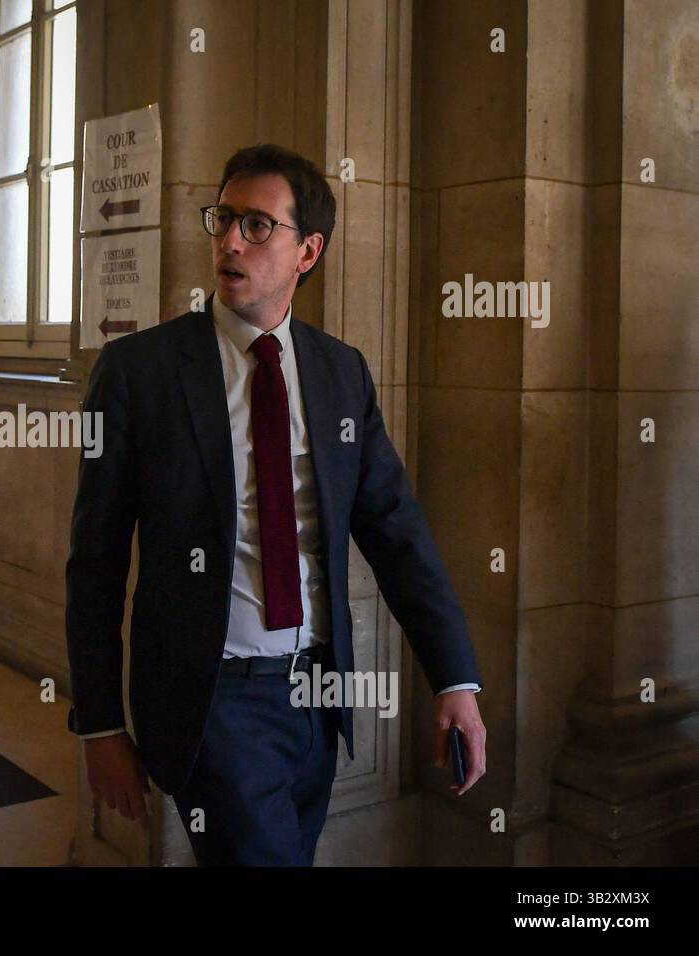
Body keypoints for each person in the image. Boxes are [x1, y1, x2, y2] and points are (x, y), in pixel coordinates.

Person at [65, 143, 487, 866]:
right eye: (223, 219)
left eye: (257, 225)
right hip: (214, 700)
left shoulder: (339, 373)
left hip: (318, 697)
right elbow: (96, 562)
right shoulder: (142, 373)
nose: (229, 240)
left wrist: (454, 677)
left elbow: (396, 531)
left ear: (307, 251)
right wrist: (100, 726)